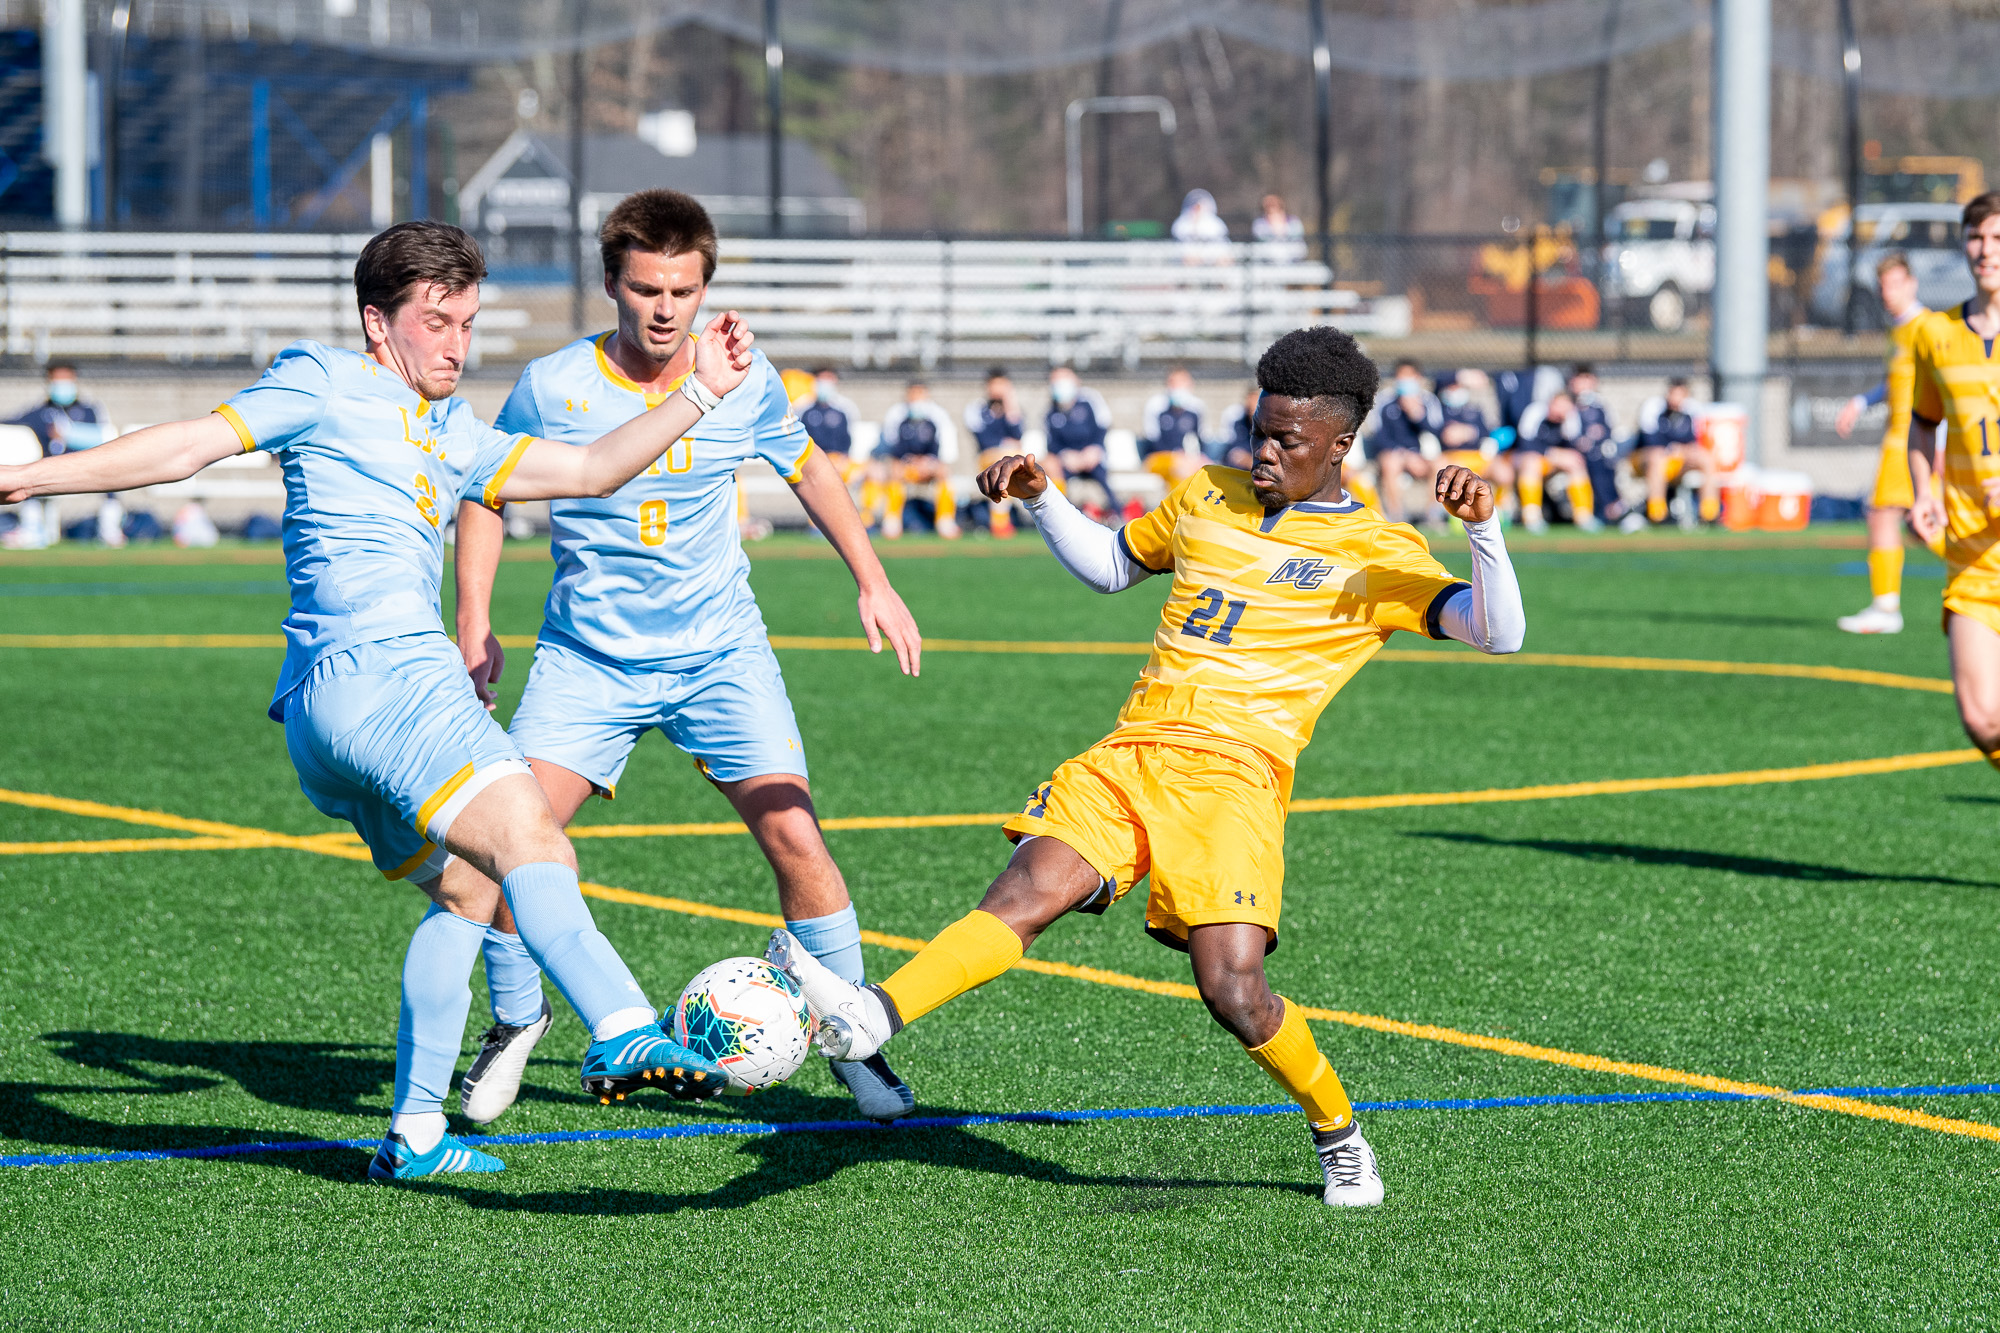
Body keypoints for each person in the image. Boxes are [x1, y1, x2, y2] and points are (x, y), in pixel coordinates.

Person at [0, 220, 760, 1181]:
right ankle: (621, 1027)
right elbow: (191, 445)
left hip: (324, 724)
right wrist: (29, 475)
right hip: (391, 671)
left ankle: (413, 1133)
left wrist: (699, 393)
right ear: (377, 322)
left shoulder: (455, 430)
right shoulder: (321, 381)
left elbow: (591, 470)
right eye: (436, 322)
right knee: (534, 841)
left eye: (469, 322)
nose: (456, 344)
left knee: (469, 892)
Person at [765, 326, 1526, 1209]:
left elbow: (1497, 631)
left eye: (1290, 441)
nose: (1266, 452)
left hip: (1237, 779)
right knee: (1023, 894)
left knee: (1234, 991)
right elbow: (1114, 565)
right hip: (1131, 754)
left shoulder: (1376, 551)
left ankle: (1338, 1130)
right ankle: (870, 1018)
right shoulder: (1208, 492)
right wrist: (1044, 497)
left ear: (1342, 445)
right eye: (1259, 431)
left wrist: (1484, 529)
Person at [451, 190, 925, 1127]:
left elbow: (810, 469)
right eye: (646, 289)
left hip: (720, 655)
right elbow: (484, 492)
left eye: (684, 289)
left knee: (796, 836)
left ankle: (854, 1042)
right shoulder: (553, 385)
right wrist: (473, 617)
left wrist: (873, 577)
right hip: (589, 660)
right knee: (514, 846)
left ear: (705, 285)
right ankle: (513, 1023)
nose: (666, 308)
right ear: (611, 285)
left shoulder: (746, 376)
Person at [1907, 192, 2000, 780]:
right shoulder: (1934, 334)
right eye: (1976, 237)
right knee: (1983, 718)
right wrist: (1923, 491)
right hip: (1972, 556)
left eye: (1997, 239)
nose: (1985, 251)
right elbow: (1923, 421)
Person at [1837, 252, 1931, 634]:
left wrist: (1937, 439)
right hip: (1900, 435)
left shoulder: (1926, 328)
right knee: (1923, 525)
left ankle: (1886, 609)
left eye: (1894, 284)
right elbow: (1896, 382)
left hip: (1913, 436)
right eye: (1882, 286)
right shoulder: (1899, 330)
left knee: (1883, 515)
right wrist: (1861, 402)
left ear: (1912, 284)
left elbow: (1944, 386)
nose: (1887, 293)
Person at [6, 363, 117, 549]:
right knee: (27, 479)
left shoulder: (90, 410)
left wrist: (71, 434)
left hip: (86, 468)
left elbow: (106, 436)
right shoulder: (38, 413)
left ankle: (110, 531)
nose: (63, 386)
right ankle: (32, 531)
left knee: (114, 479)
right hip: (51, 470)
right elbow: (9, 424)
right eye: (58, 381)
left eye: (67, 380)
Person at [876, 380, 961, 539]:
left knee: (944, 474)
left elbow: (942, 453)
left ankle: (945, 521)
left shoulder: (936, 418)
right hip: (906, 467)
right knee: (894, 473)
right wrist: (909, 463)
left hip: (929, 466)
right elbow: (894, 451)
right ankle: (892, 521)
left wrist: (928, 464)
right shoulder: (898, 417)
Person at [1632, 378, 1717, 528]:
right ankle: (1657, 513)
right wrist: (1673, 448)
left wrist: (1681, 450)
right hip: (1649, 459)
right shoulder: (1654, 409)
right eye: (1674, 394)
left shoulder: (1690, 412)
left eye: (1680, 395)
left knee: (1706, 458)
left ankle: (1709, 513)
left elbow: (1693, 442)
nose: (1676, 399)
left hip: (1678, 460)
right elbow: (1650, 441)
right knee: (1657, 457)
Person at [1366, 360, 1443, 525]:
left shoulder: (1428, 401)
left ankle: (1433, 515)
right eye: (1401, 377)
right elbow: (1378, 434)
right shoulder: (1384, 400)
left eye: (1409, 377)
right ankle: (1397, 517)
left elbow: (1437, 432)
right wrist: (1401, 453)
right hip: (1394, 454)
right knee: (1390, 463)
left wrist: (1417, 415)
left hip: (1420, 456)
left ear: (1418, 378)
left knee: (1440, 464)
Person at [1512, 392, 1600, 532]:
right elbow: (1526, 444)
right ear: (1552, 402)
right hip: (1523, 460)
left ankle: (1584, 515)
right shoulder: (1535, 412)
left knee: (1576, 463)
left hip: (1553, 462)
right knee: (1531, 462)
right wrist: (1552, 453)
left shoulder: (1570, 418)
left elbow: (1573, 445)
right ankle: (1531, 516)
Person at [1045, 366, 1116, 520]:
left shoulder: (1090, 401)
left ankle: (1116, 511)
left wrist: (1094, 450)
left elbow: (1102, 428)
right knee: (1051, 467)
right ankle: (1059, 515)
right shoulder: (1050, 412)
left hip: (1092, 456)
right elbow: (1052, 444)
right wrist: (1065, 456)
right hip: (1068, 460)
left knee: (1101, 477)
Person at [964, 367, 1026, 537]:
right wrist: (1004, 444)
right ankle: (1000, 522)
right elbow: (984, 441)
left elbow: (1018, 435)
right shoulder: (977, 409)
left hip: (1010, 456)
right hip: (987, 458)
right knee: (1003, 461)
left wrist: (1010, 406)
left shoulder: (1013, 409)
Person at [1566, 364, 1621, 528]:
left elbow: (1609, 428)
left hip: (1599, 452)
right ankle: (1604, 509)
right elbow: (1568, 431)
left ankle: (1611, 506)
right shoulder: (1569, 404)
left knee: (1602, 461)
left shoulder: (1600, 405)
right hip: (1575, 453)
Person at [1138, 366, 1209, 485]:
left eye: (1181, 382)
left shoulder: (1197, 408)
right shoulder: (1155, 406)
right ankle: (1177, 503)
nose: (1178, 387)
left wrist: (1195, 458)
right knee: (1179, 470)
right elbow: (1153, 441)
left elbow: (1203, 439)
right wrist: (1177, 456)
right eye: (1174, 383)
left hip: (1189, 460)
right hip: (1159, 457)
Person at [1171, 188, 1231, 263]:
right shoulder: (1182, 223)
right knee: (1190, 259)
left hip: (1211, 254)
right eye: (1195, 207)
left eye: (1199, 207)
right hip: (1189, 254)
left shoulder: (1215, 223)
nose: (1197, 209)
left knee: (1224, 259)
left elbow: (1221, 242)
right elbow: (1180, 242)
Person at [1251, 194, 1307, 261]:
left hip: (1291, 256)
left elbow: (1298, 235)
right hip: (1268, 257)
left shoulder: (1293, 220)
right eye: (1267, 204)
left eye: (1273, 203)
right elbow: (1260, 236)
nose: (1270, 206)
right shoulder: (1259, 223)